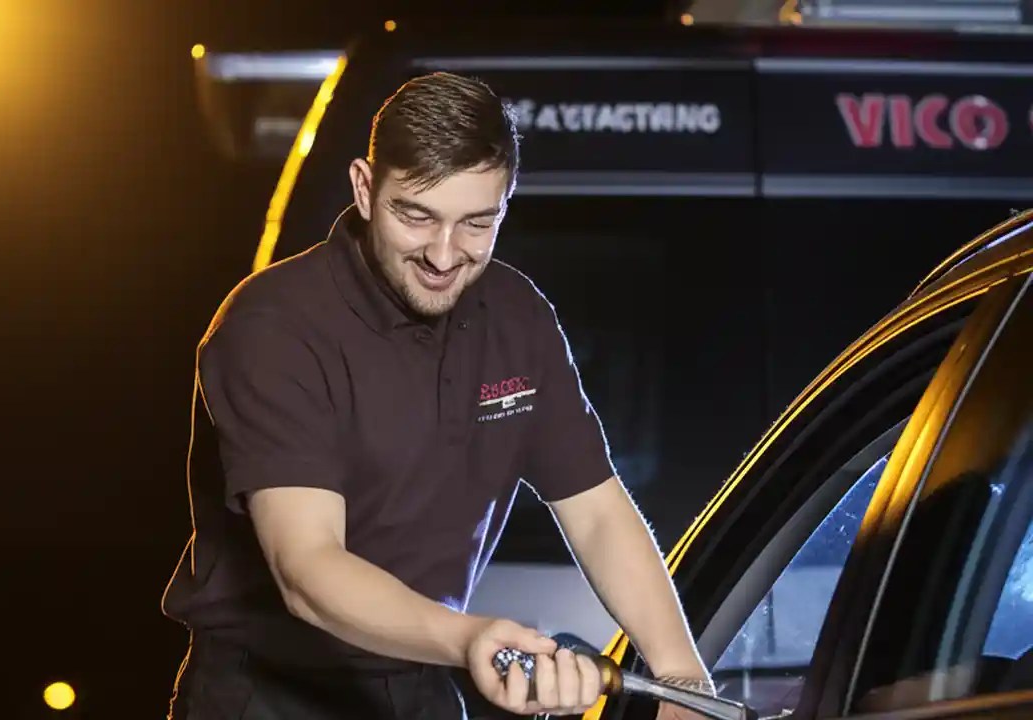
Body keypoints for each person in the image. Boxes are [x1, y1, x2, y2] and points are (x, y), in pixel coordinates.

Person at [161, 71, 714, 719]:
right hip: (271, 696)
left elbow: (595, 510)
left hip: (422, 684)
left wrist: (681, 677)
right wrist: (470, 637)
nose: (445, 256)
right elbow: (307, 568)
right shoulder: (273, 327)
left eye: (478, 223)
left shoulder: (518, 316)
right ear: (366, 189)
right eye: (416, 217)